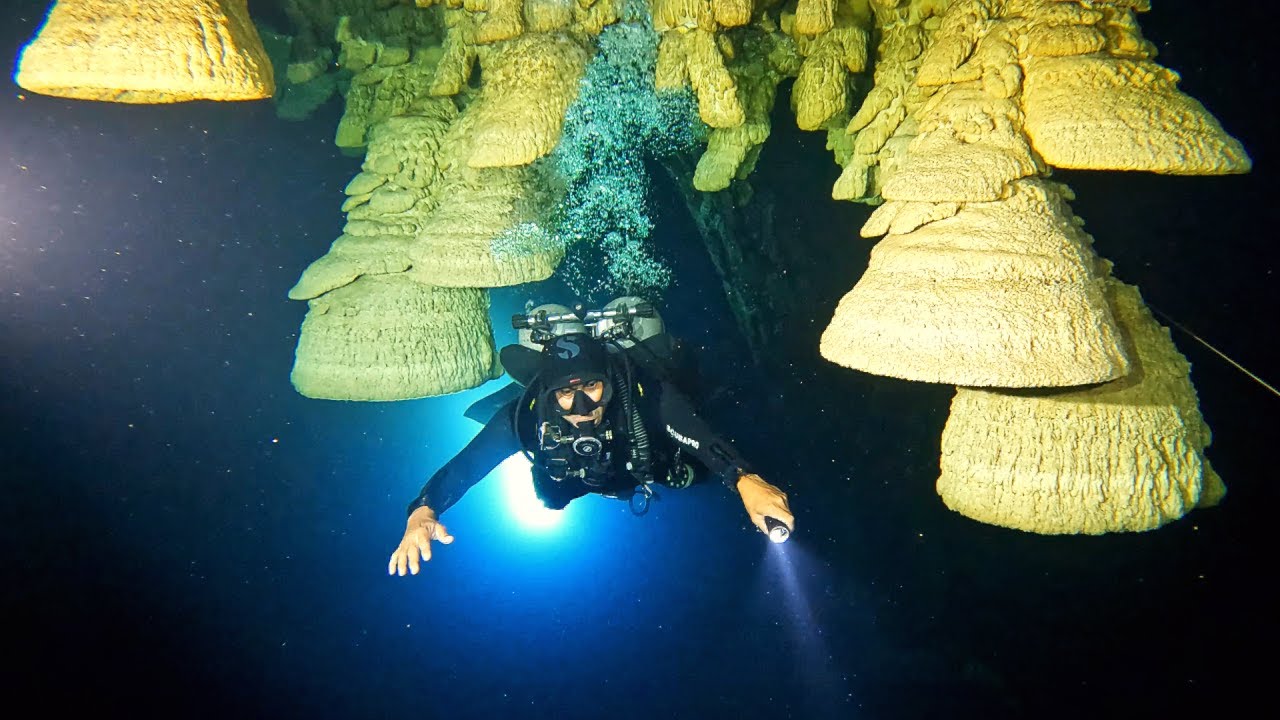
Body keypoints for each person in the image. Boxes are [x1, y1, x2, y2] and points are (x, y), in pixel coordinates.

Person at [388, 303, 794, 576]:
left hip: (642, 464)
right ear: (547, 394)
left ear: (610, 382)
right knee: (549, 497)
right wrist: (423, 509)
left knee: (691, 473)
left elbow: (703, 440)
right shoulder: (524, 417)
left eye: (592, 387)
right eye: (566, 393)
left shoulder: (645, 395)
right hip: (571, 476)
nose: (582, 406)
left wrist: (744, 478)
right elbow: (467, 465)